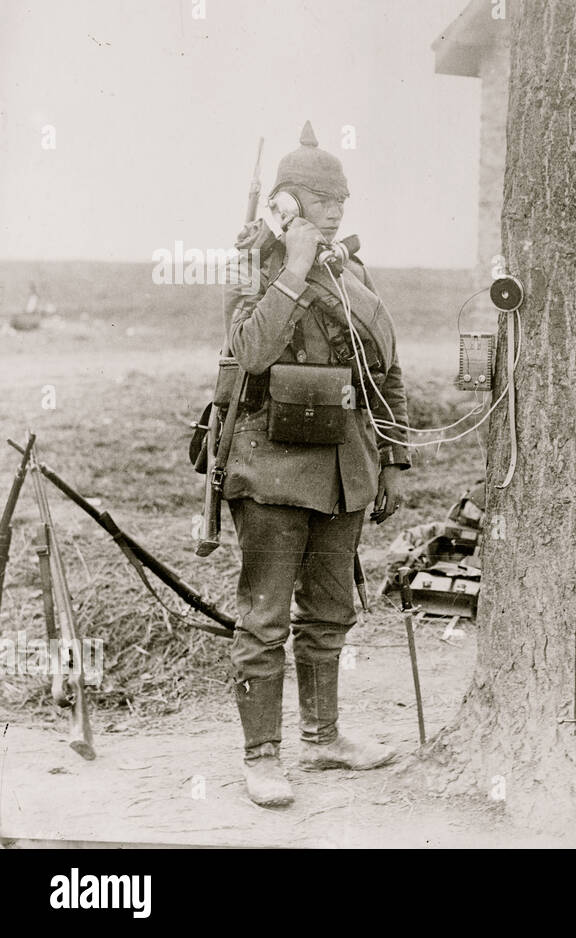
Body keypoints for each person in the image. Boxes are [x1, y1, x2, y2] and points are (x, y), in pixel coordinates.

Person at [222, 122, 411, 807]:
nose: (337, 210)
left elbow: (385, 369)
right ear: (289, 203)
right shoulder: (259, 264)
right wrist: (295, 268)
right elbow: (249, 354)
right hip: (272, 469)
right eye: (323, 199)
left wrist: (394, 458)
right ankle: (261, 757)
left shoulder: (352, 271)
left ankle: (324, 736)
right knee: (265, 618)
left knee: (330, 611)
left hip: (344, 470)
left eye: (341, 200)